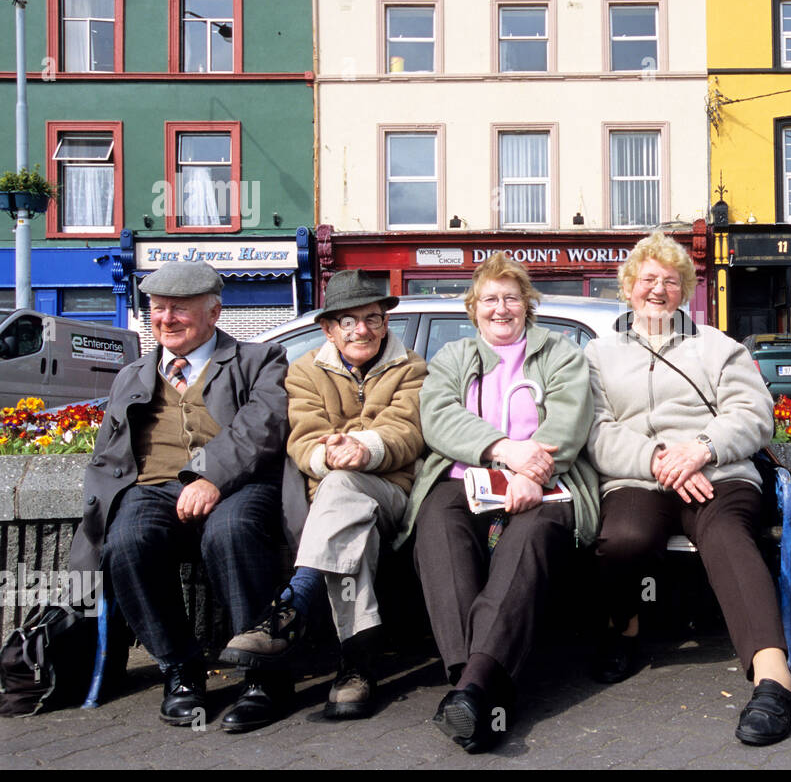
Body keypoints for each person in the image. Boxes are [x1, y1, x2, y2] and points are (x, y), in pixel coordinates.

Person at [584, 231, 791, 746]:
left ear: (686, 291)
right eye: (648, 279)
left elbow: (753, 415)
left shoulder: (719, 346)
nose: (658, 290)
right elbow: (594, 428)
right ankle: (626, 627)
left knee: (728, 539)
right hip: (639, 474)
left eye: (671, 281)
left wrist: (700, 449)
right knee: (624, 539)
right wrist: (659, 459)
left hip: (717, 474)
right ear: (628, 286)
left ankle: (774, 679)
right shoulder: (598, 353)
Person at [68, 261, 288, 731]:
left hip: (238, 484)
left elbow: (261, 429)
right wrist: (101, 508)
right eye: (158, 309)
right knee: (127, 543)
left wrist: (208, 476)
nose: (166, 319)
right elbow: (109, 453)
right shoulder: (132, 373)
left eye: (180, 310)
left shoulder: (259, 359)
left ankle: (262, 676)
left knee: (233, 531)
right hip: (154, 487)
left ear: (213, 313)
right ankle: (182, 670)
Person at [404, 254, 599, 753]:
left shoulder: (561, 353)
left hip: (546, 478)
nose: (501, 308)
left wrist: (535, 472)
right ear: (474, 309)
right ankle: (479, 680)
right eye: (489, 299)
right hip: (465, 475)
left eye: (511, 298)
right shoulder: (453, 357)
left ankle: (472, 688)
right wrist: (503, 450)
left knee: (531, 535)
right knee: (438, 525)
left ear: (527, 305)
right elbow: (439, 416)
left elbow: (570, 420)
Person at [220, 270, 427, 723]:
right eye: (348, 321)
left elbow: (407, 431)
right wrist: (330, 454)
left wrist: (361, 448)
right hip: (336, 504)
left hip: (390, 492)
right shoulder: (306, 370)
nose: (362, 330)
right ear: (328, 329)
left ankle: (291, 606)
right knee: (353, 531)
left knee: (342, 492)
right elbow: (302, 439)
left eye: (372, 318)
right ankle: (357, 669)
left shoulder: (411, 367)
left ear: (385, 321)